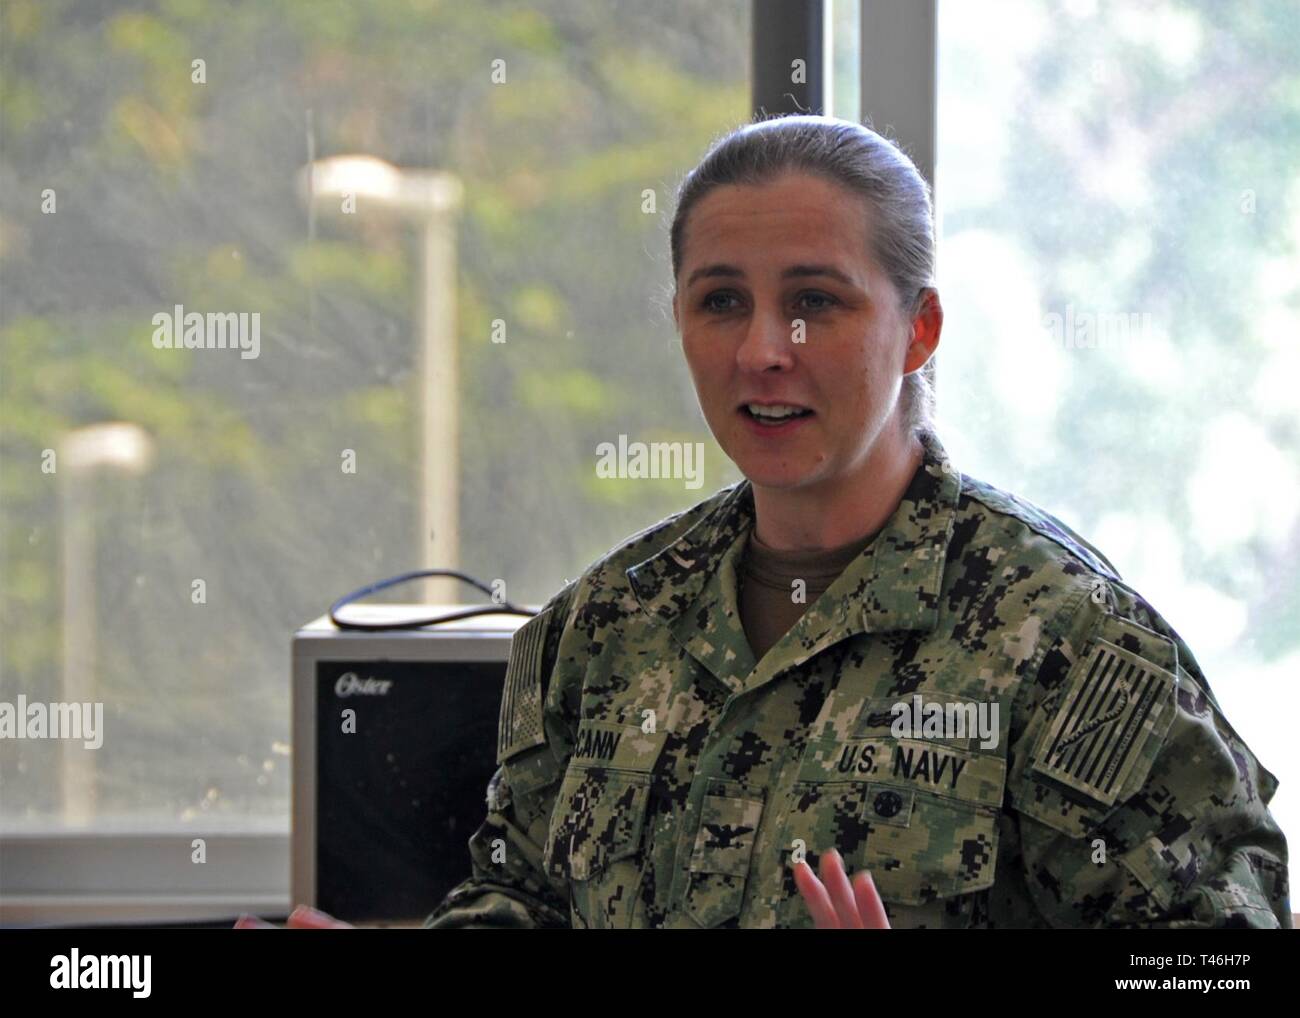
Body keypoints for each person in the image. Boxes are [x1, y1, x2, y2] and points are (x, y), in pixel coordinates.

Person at [244, 114, 1291, 930]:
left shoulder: (1069, 647)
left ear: (918, 326)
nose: (762, 351)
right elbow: (526, 901)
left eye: (814, 302)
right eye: (720, 302)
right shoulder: (600, 628)